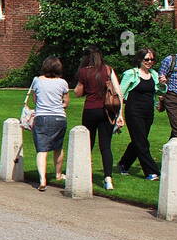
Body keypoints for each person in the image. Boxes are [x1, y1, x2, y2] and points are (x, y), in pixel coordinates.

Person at [73, 46, 123, 190]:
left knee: (88, 144)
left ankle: (83, 173)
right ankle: (108, 178)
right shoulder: (108, 69)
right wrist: (120, 115)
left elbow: (77, 92)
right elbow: (118, 92)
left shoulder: (83, 72)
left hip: (90, 110)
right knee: (105, 146)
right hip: (107, 111)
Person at [118, 48, 161, 181]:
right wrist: (119, 114)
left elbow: (159, 91)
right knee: (142, 142)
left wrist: (163, 84)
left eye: (152, 59)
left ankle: (123, 164)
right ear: (140, 59)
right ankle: (152, 172)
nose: (149, 62)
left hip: (148, 112)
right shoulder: (131, 74)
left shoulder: (154, 74)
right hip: (134, 111)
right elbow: (120, 94)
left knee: (138, 140)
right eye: (146, 59)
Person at [27, 56, 69, 191]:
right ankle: (58, 174)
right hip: (59, 118)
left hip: (42, 117)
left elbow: (35, 100)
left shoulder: (37, 81)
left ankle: (42, 180)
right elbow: (66, 103)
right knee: (58, 147)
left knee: (42, 150)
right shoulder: (63, 83)